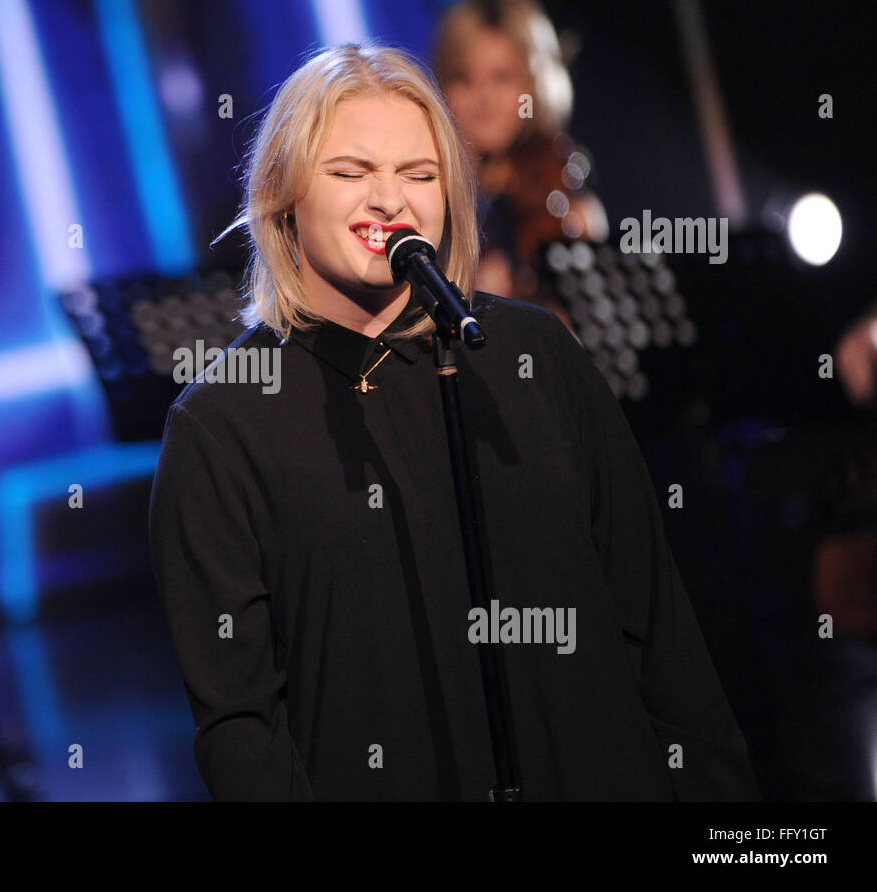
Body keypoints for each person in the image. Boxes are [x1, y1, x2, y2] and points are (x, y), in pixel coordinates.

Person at [148, 42, 759, 801]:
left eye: (419, 174)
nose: (389, 201)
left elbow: (658, 624)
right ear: (283, 192)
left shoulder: (533, 356)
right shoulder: (222, 424)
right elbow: (242, 728)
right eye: (350, 172)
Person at [433, 0, 609, 333]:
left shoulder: (562, 195)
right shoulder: (435, 196)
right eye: (463, 78)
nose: (483, 98)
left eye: (502, 78)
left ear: (534, 84)